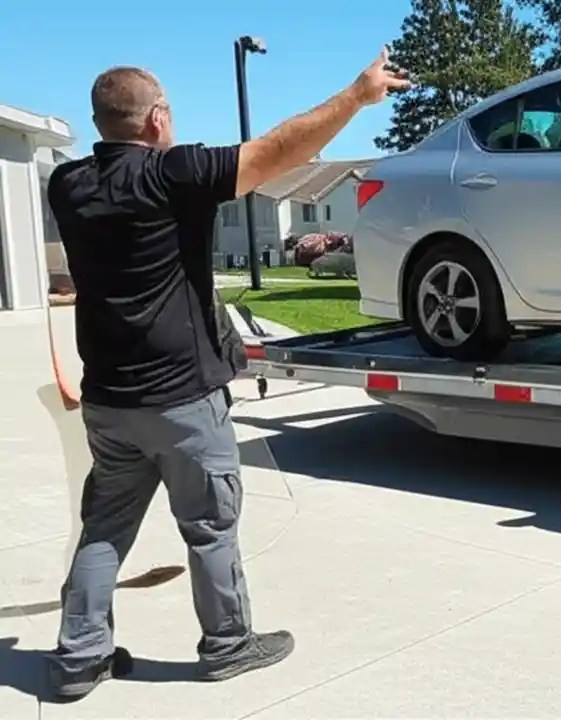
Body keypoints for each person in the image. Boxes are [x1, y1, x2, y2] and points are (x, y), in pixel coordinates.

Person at [43, 47, 411, 702]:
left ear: (100, 122)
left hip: (110, 402)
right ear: (157, 118)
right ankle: (228, 644)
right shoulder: (173, 175)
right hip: (182, 400)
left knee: (104, 527)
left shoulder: (67, 186)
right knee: (210, 527)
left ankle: (79, 657)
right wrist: (357, 95)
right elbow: (279, 151)